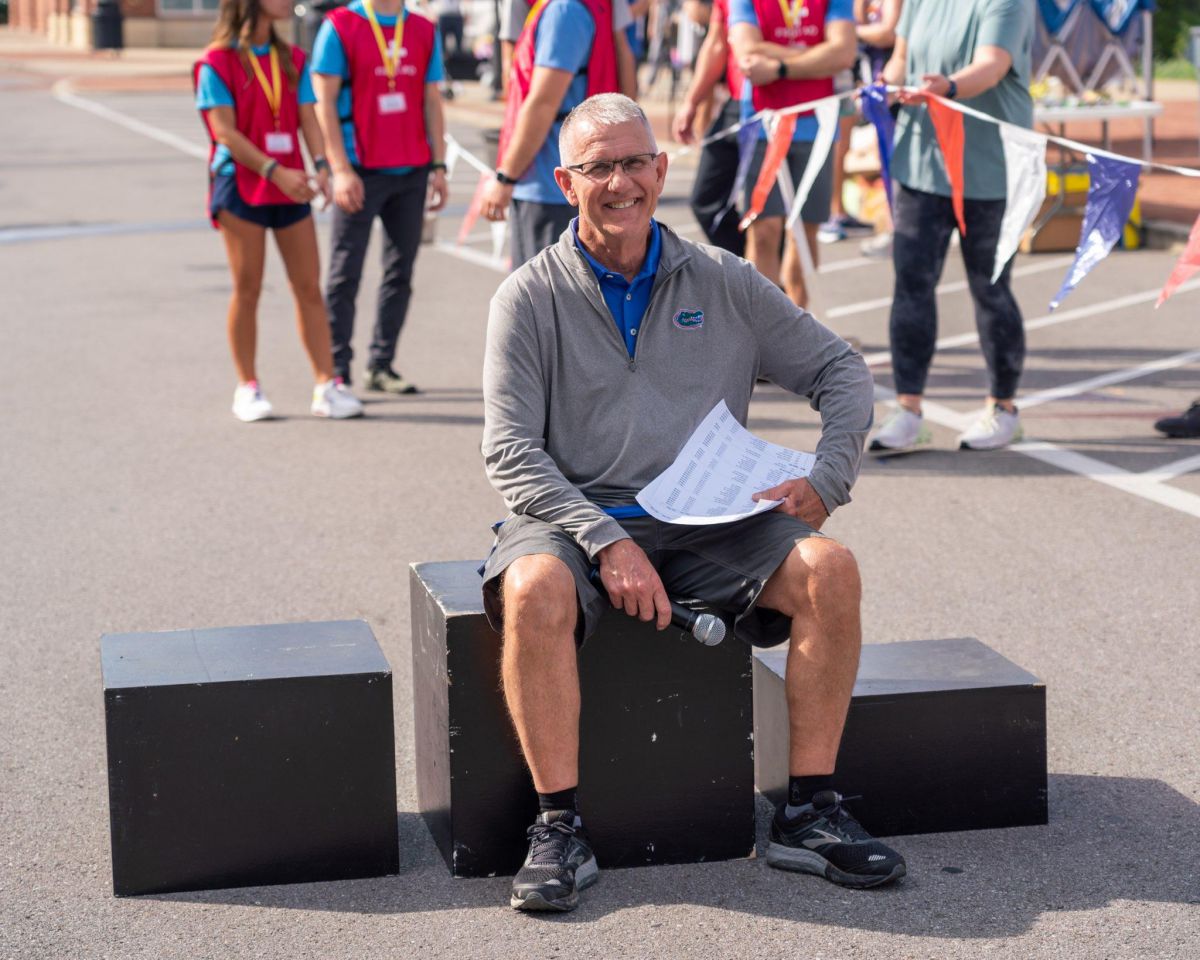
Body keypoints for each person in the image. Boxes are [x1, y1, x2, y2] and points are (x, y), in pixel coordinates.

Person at [481, 94, 904, 913]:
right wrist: (606, 539)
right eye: (598, 167)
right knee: (533, 589)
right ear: (566, 182)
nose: (620, 182)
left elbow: (841, 373)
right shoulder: (527, 299)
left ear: (661, 169)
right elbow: (509, 451)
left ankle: (808, 813)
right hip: (576, 513)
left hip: (710, 516)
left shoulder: (722, 278)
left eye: (635, 161)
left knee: (831, 571)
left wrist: (827, 480)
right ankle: (557, 827)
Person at [868, 0, 1034, 453]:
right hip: (920, 163)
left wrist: (949, 87)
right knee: (911, 285)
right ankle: (908, 409)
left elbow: (993, 65)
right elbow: (902, 56)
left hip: (991, 168)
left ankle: (1003, 407)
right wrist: (887, 83)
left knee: (991, 288)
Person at [195, 0, 364, 423]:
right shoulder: (215, 61)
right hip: (242, 185)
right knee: (248, 287)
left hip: (288, 183)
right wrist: (275, 171)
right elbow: (226, 133)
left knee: (308, 286)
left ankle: (327, 384)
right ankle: (247, 386)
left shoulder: (292, 57)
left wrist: (322, 165)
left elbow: (308, 118)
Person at [311, 0, 449, 394]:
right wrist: (339, 168)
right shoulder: (340, 25)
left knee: (400, 273)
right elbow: (323, 104)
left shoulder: (422, 29)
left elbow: (431, 100)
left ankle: (381, 364)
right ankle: (336, 369)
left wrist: (438, 165)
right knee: (344, 274)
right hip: (358, 171)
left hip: (411, 170)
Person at [482, 0, 637, 267]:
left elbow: (542, 103)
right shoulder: (594, 7)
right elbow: (627, 82)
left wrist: (505, 177)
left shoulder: (563, 11)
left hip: (549, 183)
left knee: (543, 299)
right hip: (580, 177)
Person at [728, 0, 857, 309]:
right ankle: (763, 329)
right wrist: (815, 54)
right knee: (763, 232)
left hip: (818, 124)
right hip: (765, 124)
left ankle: (798, 329)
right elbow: (748, 54)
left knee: (804, 233)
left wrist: (779, 66)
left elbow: (844, 53)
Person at [816, 0, 902, 245]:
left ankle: (894, 224)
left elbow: (886, 33)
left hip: (890, 83)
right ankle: (837, 213)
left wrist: (846, 30)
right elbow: (861, 23)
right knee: (852, 149)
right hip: (869, 82)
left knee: (888, 155)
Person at [671, 0, 746, 257]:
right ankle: (754, 276)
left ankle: (769, 282)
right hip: (739, 103)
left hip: (788, 109)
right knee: (706, 200)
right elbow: (716, 43)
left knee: (769, 219)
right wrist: (691, 102)